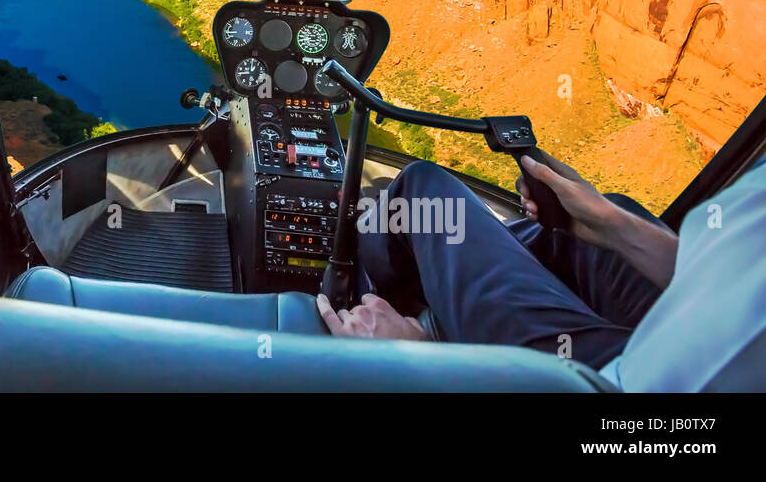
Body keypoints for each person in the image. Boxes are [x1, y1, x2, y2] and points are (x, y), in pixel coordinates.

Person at [315, 152, 766, 391]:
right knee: (602, 220)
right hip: (687, 327)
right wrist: (611, 225)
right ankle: (461, 300)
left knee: (427, 195)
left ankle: (387, 294)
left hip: (614, 385)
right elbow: (734, 273)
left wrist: (420, 364)